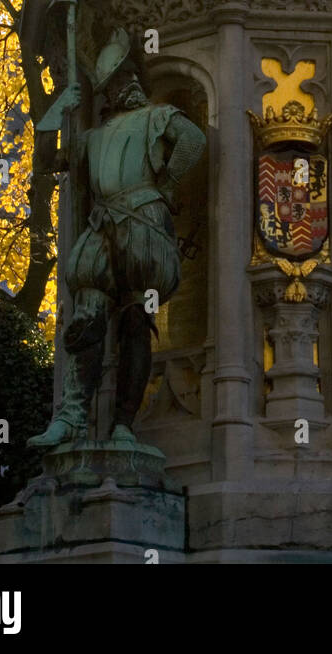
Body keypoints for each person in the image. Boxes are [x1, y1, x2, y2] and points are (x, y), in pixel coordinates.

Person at [28, 30, 205, 448]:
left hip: (143, 228)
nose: (125, 86)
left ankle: (124, 422)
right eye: (116, 82)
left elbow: (193, 142)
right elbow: (47, 163)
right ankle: (71, 416)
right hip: (103, 228)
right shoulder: (91, 137)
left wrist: (165, 184)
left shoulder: (158, 116)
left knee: (135, 322)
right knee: (86, 321)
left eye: (129, 77)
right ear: (107, 92)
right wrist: (56, 115)